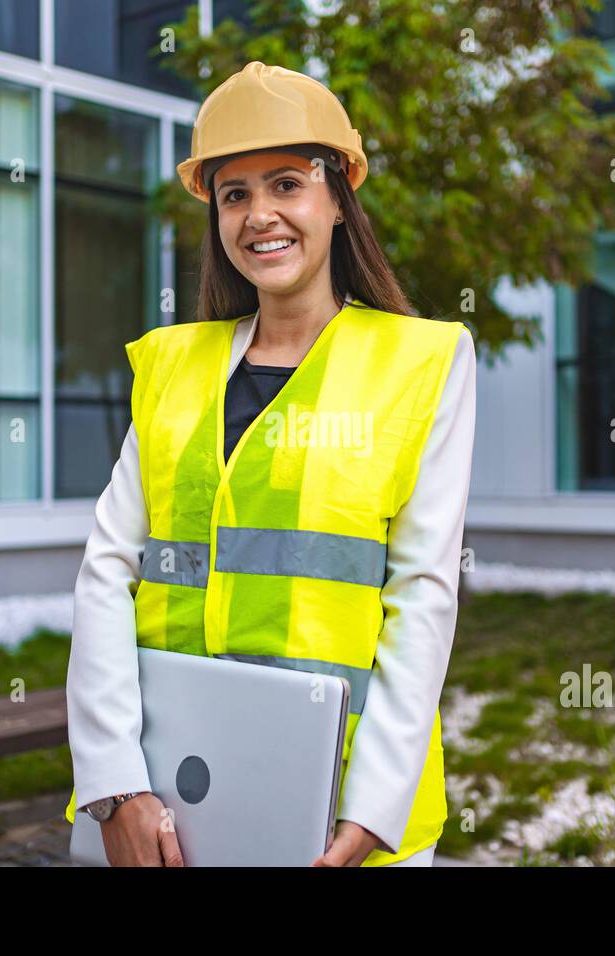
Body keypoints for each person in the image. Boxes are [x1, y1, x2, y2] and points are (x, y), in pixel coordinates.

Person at [63, 61, 476, 867]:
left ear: (336, 199)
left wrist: (374, 812)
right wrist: (116, 785)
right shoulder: (172, 365)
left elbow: (422, 595)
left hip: (342, 810)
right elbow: (105, 574)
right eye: (234, 194)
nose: (261, 216)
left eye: (287, 183)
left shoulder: (423, 362)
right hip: (177, 796)